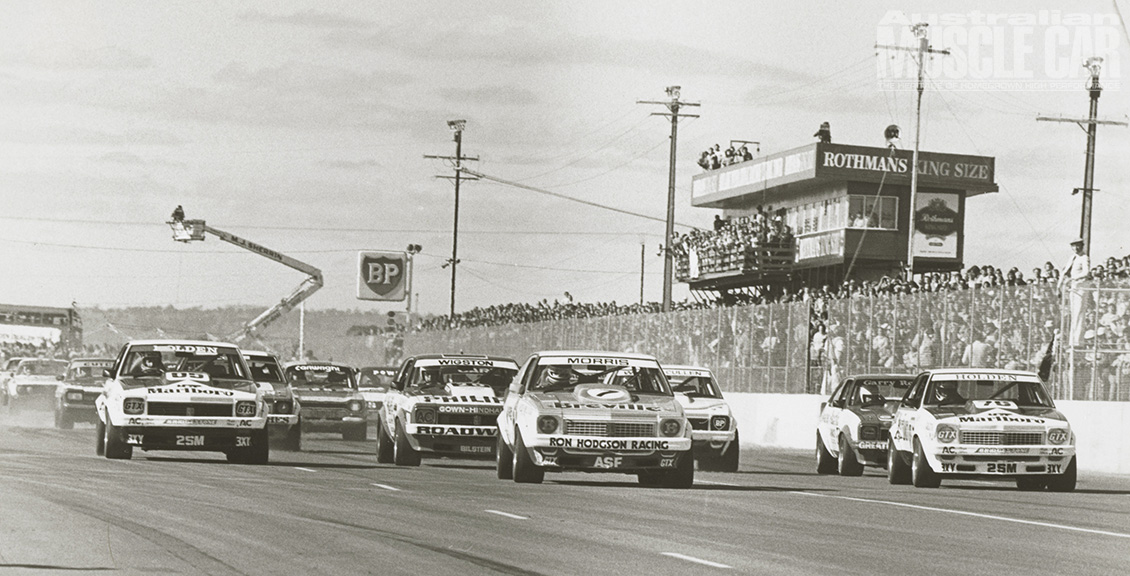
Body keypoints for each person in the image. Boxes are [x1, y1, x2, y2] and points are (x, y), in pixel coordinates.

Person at [1059, 238, 1091, 346]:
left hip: (1080, 288)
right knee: (1073, 314)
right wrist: (1059, 285)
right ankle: (1072, 340)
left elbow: (1086, 272)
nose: (1076, 248)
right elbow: (1064, 272)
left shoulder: (1084, 257)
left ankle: (1077, 341)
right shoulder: (1073, 257)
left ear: (1082, 246)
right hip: (1073, 288)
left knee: (1079, 314)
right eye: (1073, 246)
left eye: (1078, 246)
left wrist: (1072, 279)